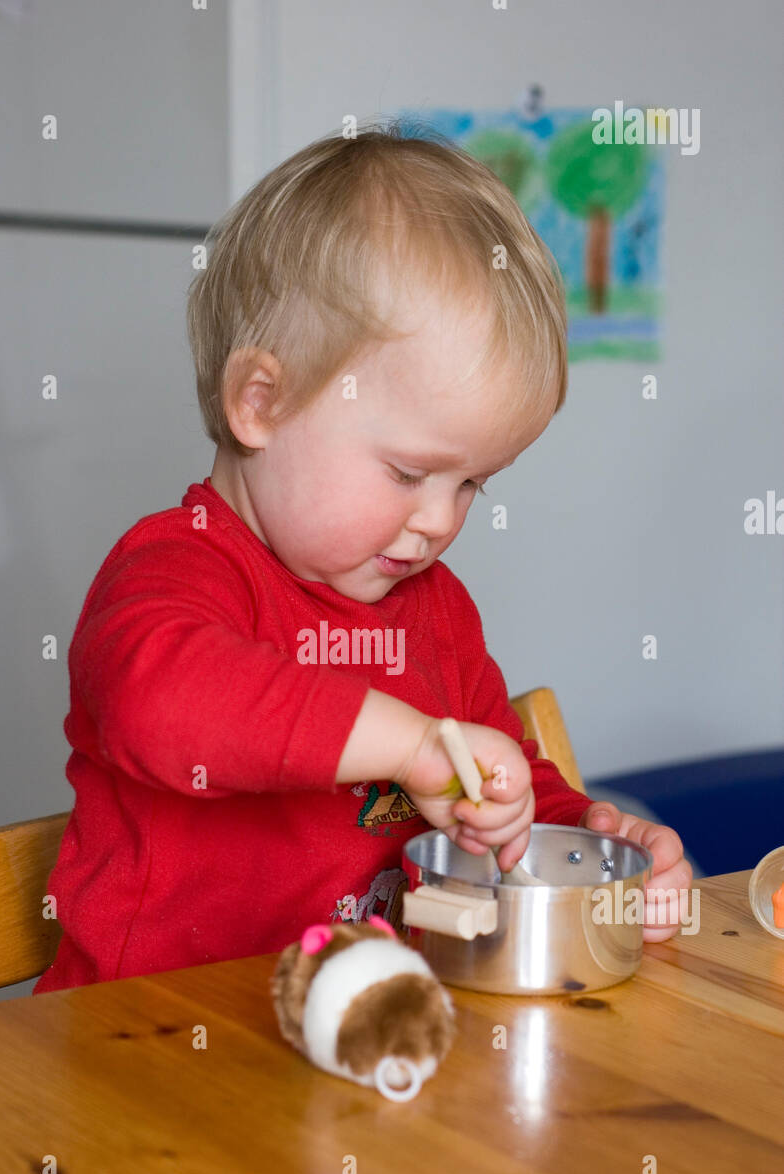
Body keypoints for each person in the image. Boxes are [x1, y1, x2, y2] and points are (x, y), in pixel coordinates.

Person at [34, 123, 690, 995]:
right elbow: (163, 704)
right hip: (146, 1055)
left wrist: (588, 846)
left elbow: (495, 780)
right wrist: (409, 742)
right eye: (409, 472)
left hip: (358, 1042)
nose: (435, 521)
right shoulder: (178, 567)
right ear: (260, 404)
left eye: (471, 485)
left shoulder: (434, 607)